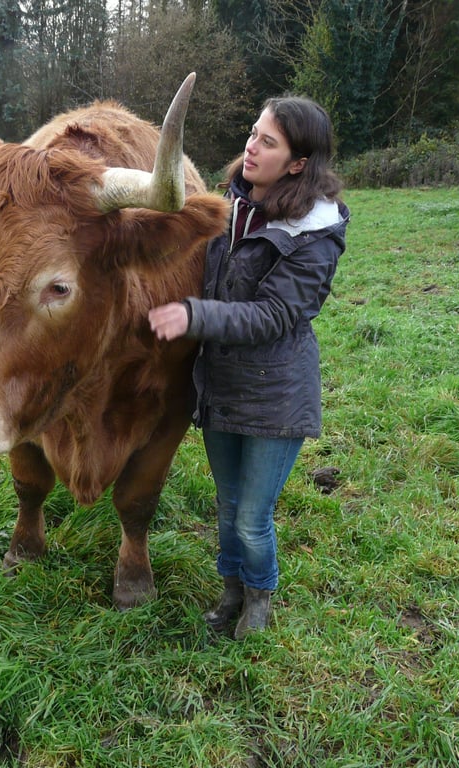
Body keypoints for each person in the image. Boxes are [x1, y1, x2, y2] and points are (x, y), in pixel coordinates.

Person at [149, 96, 349, 639]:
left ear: (298, 163)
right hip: (221, 386)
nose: (251, 147)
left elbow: (275, 315)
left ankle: (259, 597)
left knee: (252, 518)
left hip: (276, 396)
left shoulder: (314, 232)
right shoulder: (230, 206)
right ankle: (231, 592)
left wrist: (193, 315)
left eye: (269, 141)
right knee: (227, 506)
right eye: (253, 133)